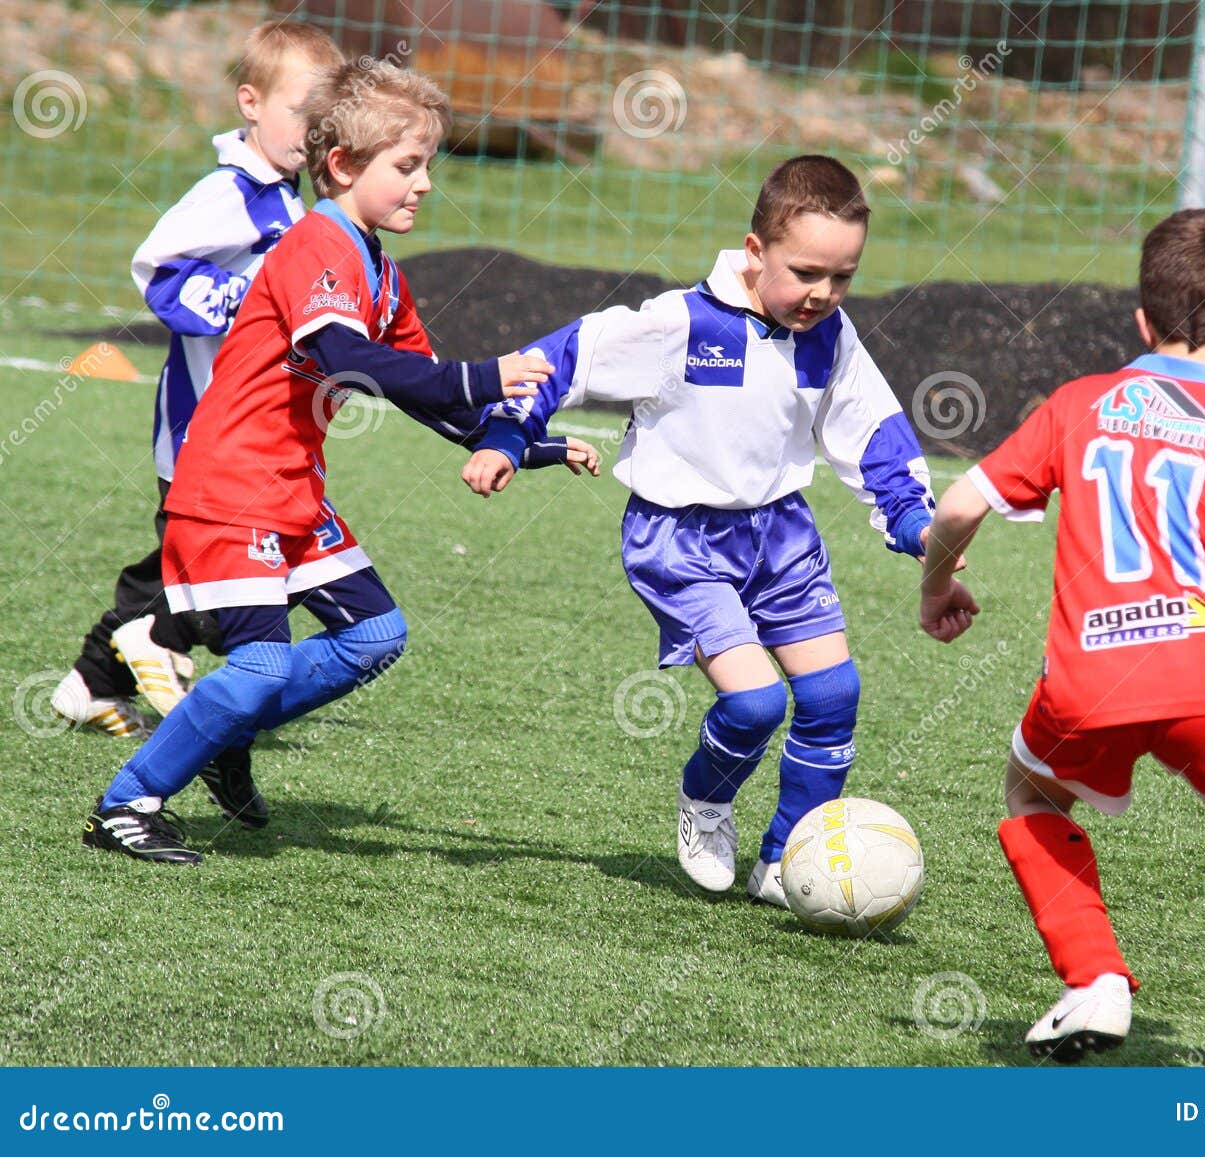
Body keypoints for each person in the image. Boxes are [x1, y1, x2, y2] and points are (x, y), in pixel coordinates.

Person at [80, 60, 597, 865]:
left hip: (290, 488)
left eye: (428, 164)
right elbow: (343, 356)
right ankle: (125, 802)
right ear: (344, 166)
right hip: (227, 484)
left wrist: (522, 443)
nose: (424, 183)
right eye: (407, 165)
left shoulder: (381, 271)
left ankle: (222, 733)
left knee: (374, 634)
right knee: (257, 664)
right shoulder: (313, 246)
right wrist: (484, 374)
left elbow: (425, 388)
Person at [917, 209, 1205, 1066]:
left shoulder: (1077, 404)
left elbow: (955, 506)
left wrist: (937, 584)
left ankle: (1093, 977)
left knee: (1030, 793)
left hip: (1084, 686)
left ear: (1141, 321)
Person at [471, 156, 938, 906]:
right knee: (755, 705)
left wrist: (912, 516)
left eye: (843, 276)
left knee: (833, 694)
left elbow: (871, 428)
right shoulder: (680, 324)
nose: (824, 293)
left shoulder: (829, 334)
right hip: (680, 543)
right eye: (807, 271)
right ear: (755, 254)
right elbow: (563, 357)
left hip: (782, 537)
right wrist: (506, 434)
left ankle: (786, 862)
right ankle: (706, 801)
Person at [50, 21, 345, 738]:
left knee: (170, 565)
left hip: (250, 430)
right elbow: (160, 268)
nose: (311, 131)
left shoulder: (284, 196)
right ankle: (163, 639)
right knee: (234, 566)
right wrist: (250, 306)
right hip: (209, 429)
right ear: (250, 101)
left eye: (323, 118)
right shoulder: (232, 193)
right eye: (298, 110)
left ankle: (90, 682)